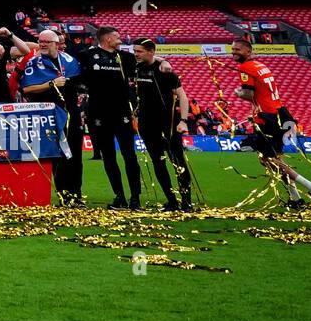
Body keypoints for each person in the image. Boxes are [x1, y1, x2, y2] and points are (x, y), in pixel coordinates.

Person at [232, 38, 311, 209]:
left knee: (269, 159)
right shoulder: (261, 66)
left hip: (267, 117)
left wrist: (238, 93)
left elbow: (248, 93)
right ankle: (295, 198)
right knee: (275, 159)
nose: (233, 52)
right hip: (279, 112)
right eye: (232, 49)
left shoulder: (245, 67)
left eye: (237, 49)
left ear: (248, 51)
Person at [14, 30, 83, 206]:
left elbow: (79, 81)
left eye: (47, 41)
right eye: (40, 41)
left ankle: (77, 194)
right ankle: (63, 195)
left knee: (75, 156)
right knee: (57, 157)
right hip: (48, 115)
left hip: (70, 114)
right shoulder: (34, 63)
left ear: (57, 44)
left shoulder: (69, 61)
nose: (43, 44)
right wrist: (50, 84)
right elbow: (26, 89)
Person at [76, 25, 142, 211]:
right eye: (116, 36)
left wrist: (161, 61)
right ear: (106, 39)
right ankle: (119, 196)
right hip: (98, 113)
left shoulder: (126, 58)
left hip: (122, 113)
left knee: (130, 156)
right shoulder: (87, 55)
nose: (120, 38)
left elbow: (145, 62)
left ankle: (135, 197)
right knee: (108, 158)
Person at [133, 38, 193, 212]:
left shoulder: (165, 72)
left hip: (168, 123)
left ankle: (186, 201)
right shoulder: (137, 68)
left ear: (151, 51)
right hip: (146, 123)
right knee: (158, 162)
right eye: (135, 51)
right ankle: (171, 201)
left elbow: (183, 96)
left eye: (140, 51)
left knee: (177, 161)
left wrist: (183, 120)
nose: (136, 54)